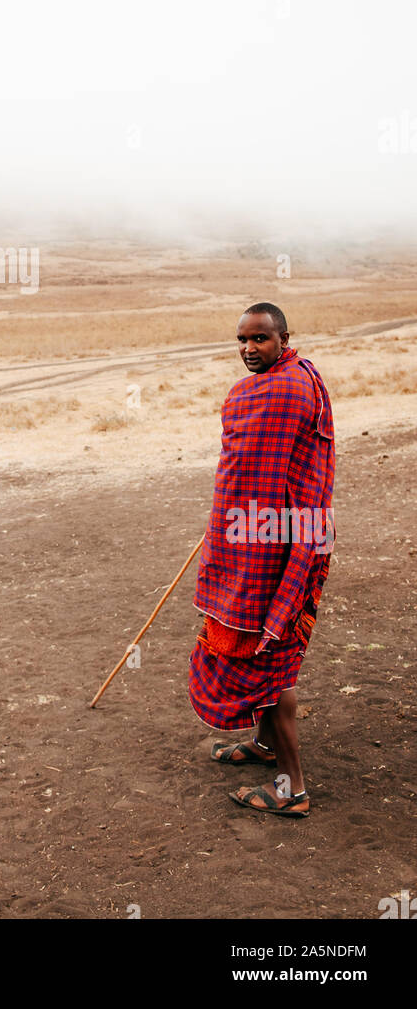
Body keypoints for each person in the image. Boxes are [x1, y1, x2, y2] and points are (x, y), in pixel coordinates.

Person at [188, 302, 335, 817]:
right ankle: (265, 746)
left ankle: (290, 789)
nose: (250, 350)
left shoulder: (286, 389)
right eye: (243, 340)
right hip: (261, 532)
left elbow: (270, 471)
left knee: (273, 660)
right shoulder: (297, 377)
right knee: (262, 650)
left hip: (275, 546)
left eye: (261, 340)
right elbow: (246, 466)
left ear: (283, 338)